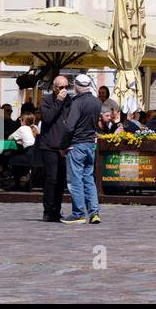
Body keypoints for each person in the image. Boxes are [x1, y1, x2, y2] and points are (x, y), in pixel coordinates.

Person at [61, 73, 102, 225]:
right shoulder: (97, 102)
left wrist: (63, 146)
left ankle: (78, 213)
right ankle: (94, 213)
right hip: (90, 144)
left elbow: (70, 127)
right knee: (89, 179)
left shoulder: (77, 102)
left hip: (77, 144)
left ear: (76, 86)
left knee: (75, 180)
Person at [38, 75, 72, 223]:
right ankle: (48, 211)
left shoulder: (70, 101)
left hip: (64, 146)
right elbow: (47, 118)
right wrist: (58, 101)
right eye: (61, 87)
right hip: (49, 145)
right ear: (54, 87)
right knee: (51, 179)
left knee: (60, 180)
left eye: (66, 87)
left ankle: (57, 210)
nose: (64, 90)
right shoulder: (46, 100)